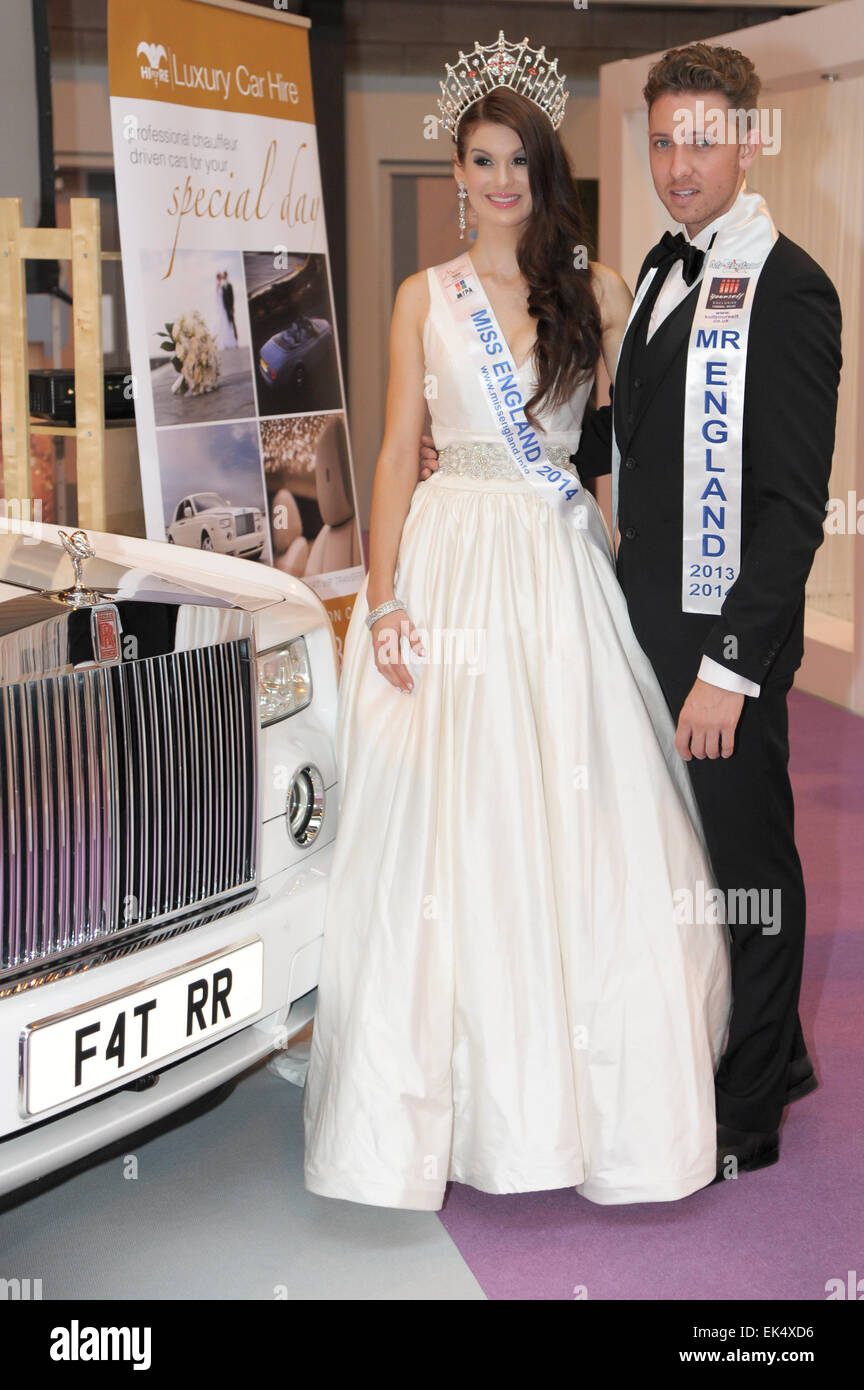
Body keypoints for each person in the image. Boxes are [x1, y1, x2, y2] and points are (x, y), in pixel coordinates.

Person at [303, 34, 730, 1211]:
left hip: (553, 575)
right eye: (481, 161)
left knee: (580, 821)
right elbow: (394, 454)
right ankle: (440, 1114)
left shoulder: (594, 291)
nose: (500, 183)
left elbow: (604, 461)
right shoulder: (418, 298)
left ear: (545, 174)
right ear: (457, 173)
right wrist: (383, 599)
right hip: (447, 565)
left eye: (518, 163)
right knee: (450, 827)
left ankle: (588, 1115)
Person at [422, 42, 843, 1182]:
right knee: (676, 857)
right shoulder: (655, 271)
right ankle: (771, 1050)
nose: (678, 161)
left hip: (721, 647)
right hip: (633, 618)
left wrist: (735, 667)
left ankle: (749, 1110)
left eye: (701, 137)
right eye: (662, 139)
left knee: (748, 858)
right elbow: (622, 431)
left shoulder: (791, 287)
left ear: (748, 140)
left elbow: (795, 507)